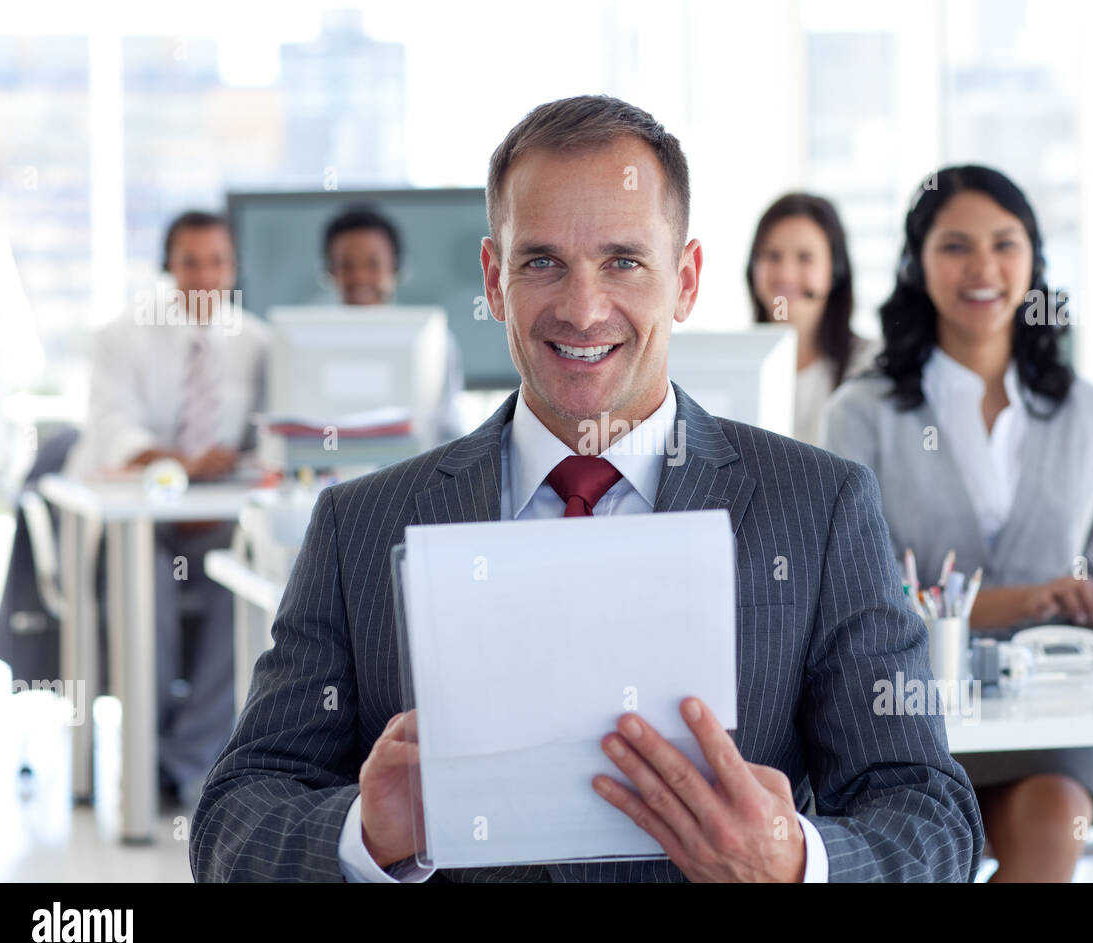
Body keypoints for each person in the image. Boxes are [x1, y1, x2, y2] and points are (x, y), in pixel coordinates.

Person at [190, 96, 982, 883]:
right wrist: (368, 832)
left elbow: (931, 820)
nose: (582, 307)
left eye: (624, 261)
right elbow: (231, 823)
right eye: (542, 262)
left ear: (687, 279)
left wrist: (793, 859)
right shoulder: (359, 525)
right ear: (495, 281)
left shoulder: (820, 508)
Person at [822, 165, 1093, 882]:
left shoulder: (1092, 417)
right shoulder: (860, 415)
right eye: (955, 246)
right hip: (906, 723)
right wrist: (1030, 601)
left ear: (1034, 262)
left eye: (1005, 244)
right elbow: (853, 606)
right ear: (917, 266)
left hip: (1052, 724)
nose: (983, 268)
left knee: (1051, 822)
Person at [66, 210, 270, 803]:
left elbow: (264, 439)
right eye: (190, 261)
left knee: (238, 584)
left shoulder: (257, 343)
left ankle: (186, 763)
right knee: (145, 588)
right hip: (138, 524)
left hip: (216, 522)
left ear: (233, 267)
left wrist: (232, 465)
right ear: (167, 266)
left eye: (217, 261)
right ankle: (144, 752)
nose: (205, 275)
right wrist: (175, 463)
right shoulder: (120, 337)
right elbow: (110, 427)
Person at [322, 205, 465, 443]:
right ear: (329, 272)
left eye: (373, 264)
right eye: (346, 265)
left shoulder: (435, 342)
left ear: (396, 267)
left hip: (417, 475)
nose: (359, 277)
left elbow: (449, 426)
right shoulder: (313, 341)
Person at [747, 193, 878, 446]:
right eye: (772, 256)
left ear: (835, 271)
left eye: (805, 257)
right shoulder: (737, 362)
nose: (785, 274)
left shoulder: (870, 364)